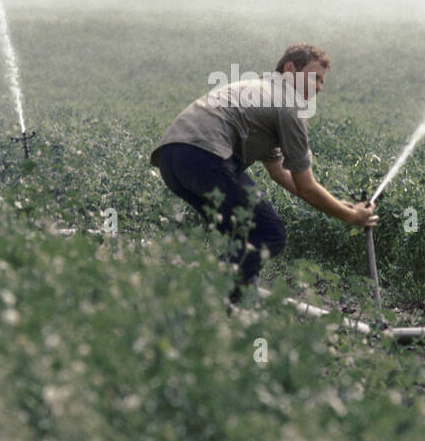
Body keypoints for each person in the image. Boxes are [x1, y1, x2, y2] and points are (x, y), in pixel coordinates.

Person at [150, 43, 378, 301]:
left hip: (171, 159)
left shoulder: (261, 91)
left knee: (245, 235)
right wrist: (351, 216)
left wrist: (340, 205)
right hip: (205, 155)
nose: (318, 88)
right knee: (270, 231)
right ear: (290, 69)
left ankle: (237, 309)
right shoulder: (288, 104)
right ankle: (200, 297)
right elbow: (305, 186)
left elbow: (280, 173)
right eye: (314, 77)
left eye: (322, 82)